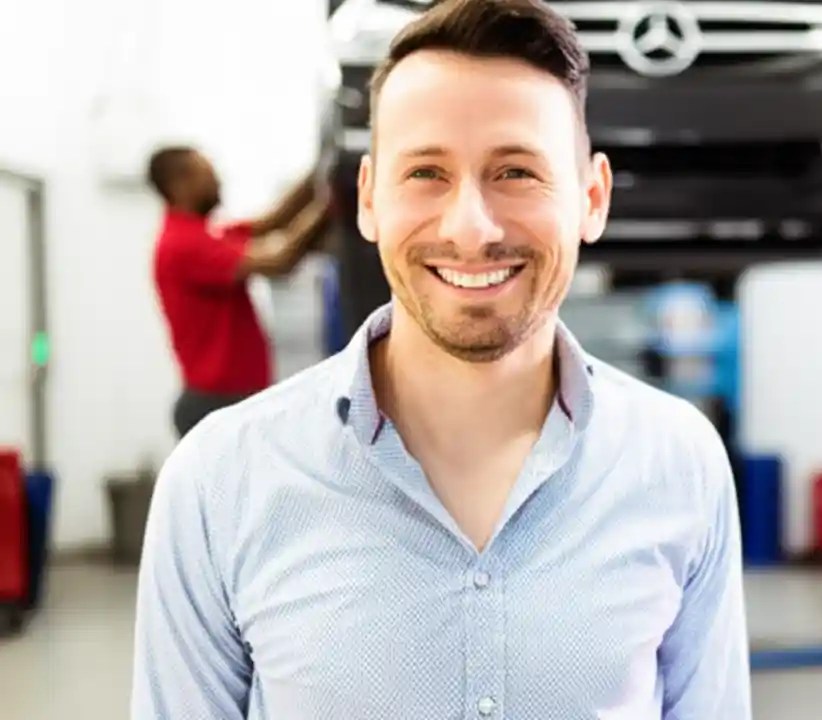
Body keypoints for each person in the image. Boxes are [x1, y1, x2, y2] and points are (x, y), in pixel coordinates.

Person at [131, 0, 752, 717]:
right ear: (367, 200)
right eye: (426, 172)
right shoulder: (219, 484)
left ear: (592, 197)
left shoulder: (678, 464)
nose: (470, 229)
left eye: (516, 172)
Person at [147, 146, 331, 437]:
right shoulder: (182, 245)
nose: (218, 181)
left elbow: (274, 220)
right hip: (217, 404)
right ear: (179, 185)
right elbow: (279, 261)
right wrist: (331, 204)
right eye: (208, 174)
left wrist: (323, 166)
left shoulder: (205, 232)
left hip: (232, 400)